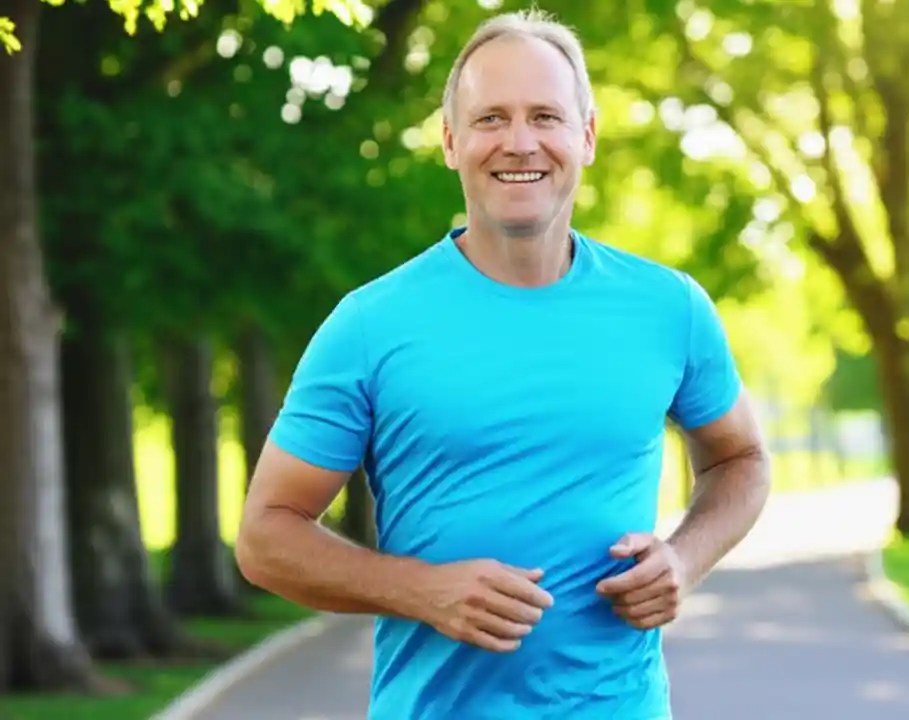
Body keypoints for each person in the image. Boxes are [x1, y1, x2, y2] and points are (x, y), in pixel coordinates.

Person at [235, 8, 771, 719]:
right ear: (452, 142)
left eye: (545, 116)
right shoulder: (371, 324)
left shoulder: (669, 307)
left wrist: (684, 559)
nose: (520, 143)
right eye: (491, 119)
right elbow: (266, 535)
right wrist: (423, 591)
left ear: (587, 136)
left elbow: (742, 459)